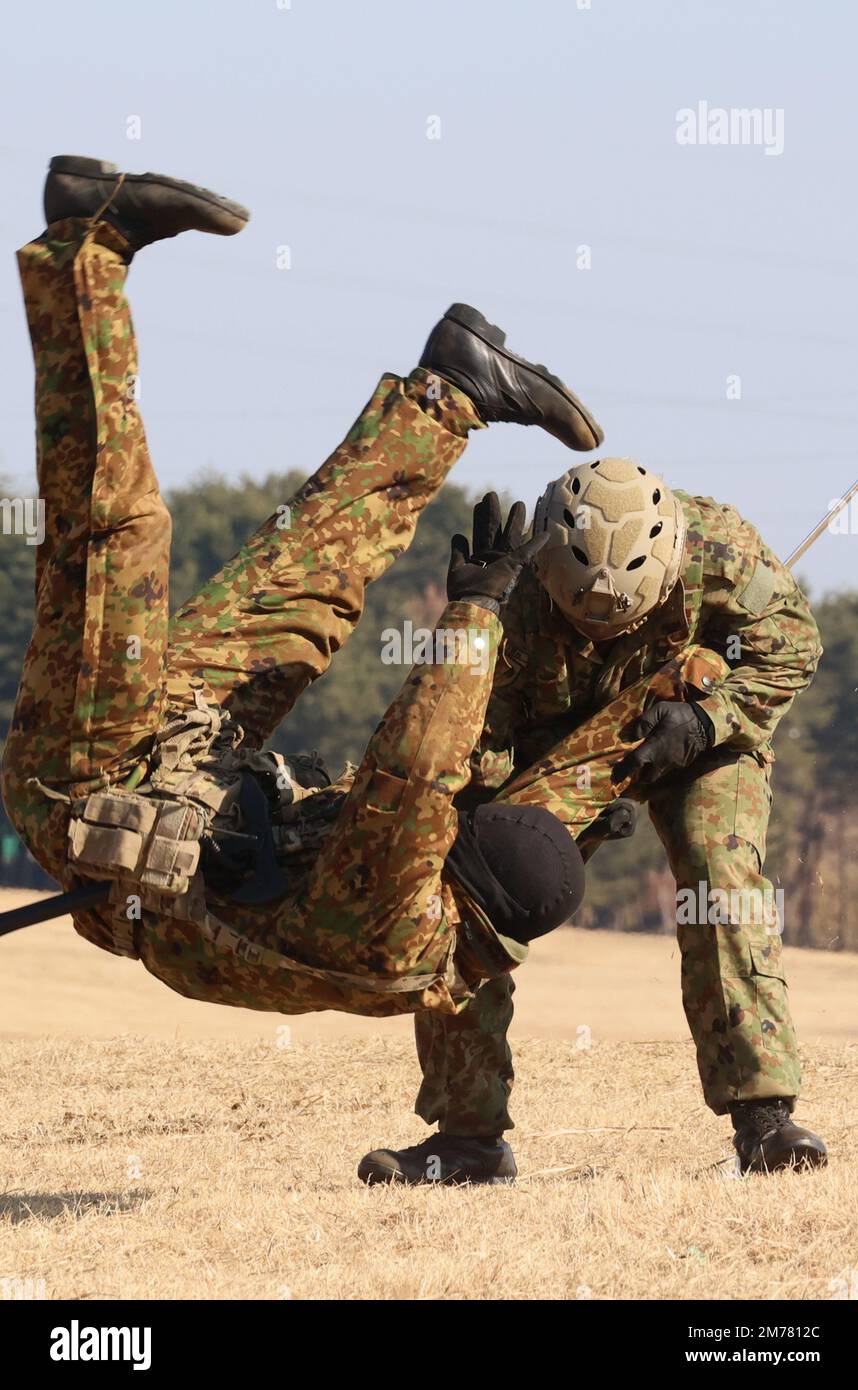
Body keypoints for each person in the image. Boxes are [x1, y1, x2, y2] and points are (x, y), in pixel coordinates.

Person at [2, 155, 604, 1041]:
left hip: (88, 788)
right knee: (304, 604)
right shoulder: (452, 928)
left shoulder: (398, 920)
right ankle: (451, 389)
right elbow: (469, 806)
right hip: (189, 766)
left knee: (119, 537)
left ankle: (84, 250)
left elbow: (415, 772)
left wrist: (474, 612)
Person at [359, 461, 830, 1183]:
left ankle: (764, 1121)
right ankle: (468, 1140)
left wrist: (707, 723)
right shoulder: (510, 596)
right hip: (557, 752)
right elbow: (469, 741)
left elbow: (793, 647)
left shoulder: (719, 549)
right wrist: (502, 829)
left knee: (720, 876)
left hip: (700, 734)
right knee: (469, 891)